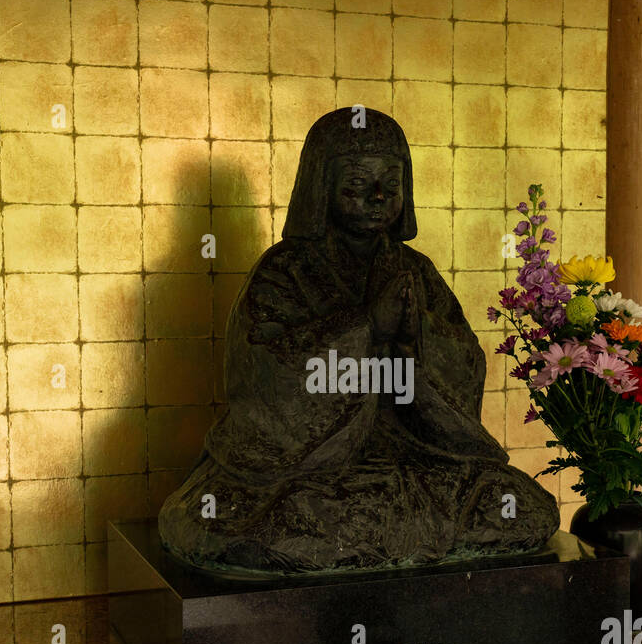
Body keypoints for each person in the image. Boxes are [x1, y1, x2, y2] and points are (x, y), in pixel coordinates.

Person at [158, 108, 558, 573]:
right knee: (297, 518)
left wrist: (417, 336)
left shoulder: (414, 269)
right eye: (357, 184)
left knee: (512, 504)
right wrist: (365, 327)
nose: (378, 197)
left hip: (414, 452)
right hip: (307, 466)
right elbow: (264, 375)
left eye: (391, 183)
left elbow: (466, 362)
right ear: (321, 187)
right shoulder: (284, 270)